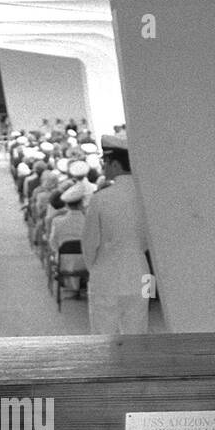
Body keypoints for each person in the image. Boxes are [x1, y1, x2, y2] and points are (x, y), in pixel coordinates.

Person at [80, 134, 150, 335]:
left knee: (103, 337)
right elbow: (149, 242)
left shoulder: (101, 199)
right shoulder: (147, 196)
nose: (104, 166)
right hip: (143, 274)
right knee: (139, 333)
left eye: (106, 162)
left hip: (106, 274)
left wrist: (95, 269)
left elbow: (89, 243)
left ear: (115, 164)